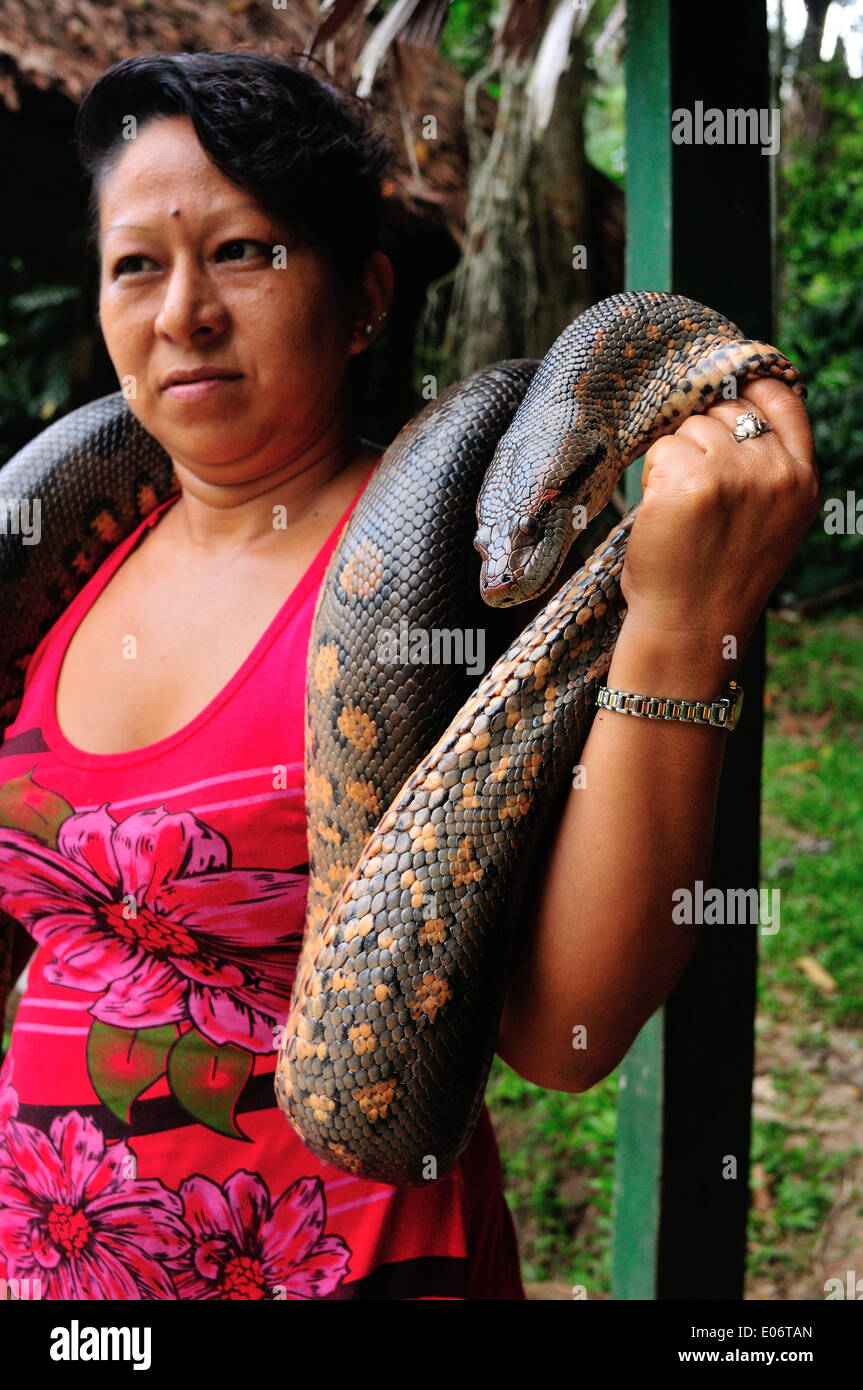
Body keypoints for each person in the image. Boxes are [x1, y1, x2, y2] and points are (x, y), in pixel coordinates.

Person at [0, 50, 818, 1302]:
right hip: (60, 1257)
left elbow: (561, 1036)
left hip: (342, 1265)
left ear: (363, 297)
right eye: (135, 265)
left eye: (241, 253)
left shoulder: (457, 581)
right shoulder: (68, 574)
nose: (182, 314)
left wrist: (678, 625)